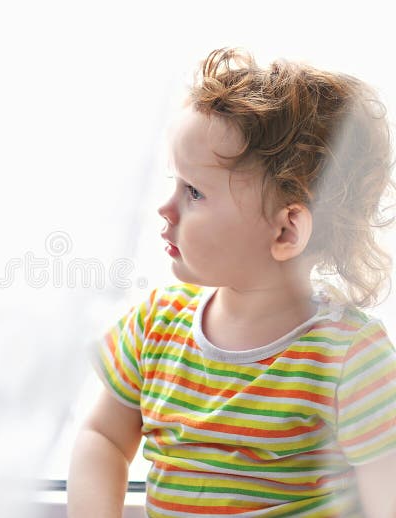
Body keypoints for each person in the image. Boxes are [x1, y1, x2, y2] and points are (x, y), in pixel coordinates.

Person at [68, 48, 396, 517]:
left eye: (195, 192)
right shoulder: (153, 327)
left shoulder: (350, 360)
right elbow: (102, 437)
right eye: (174, 182)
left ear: (285, 231)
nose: (165, 209)